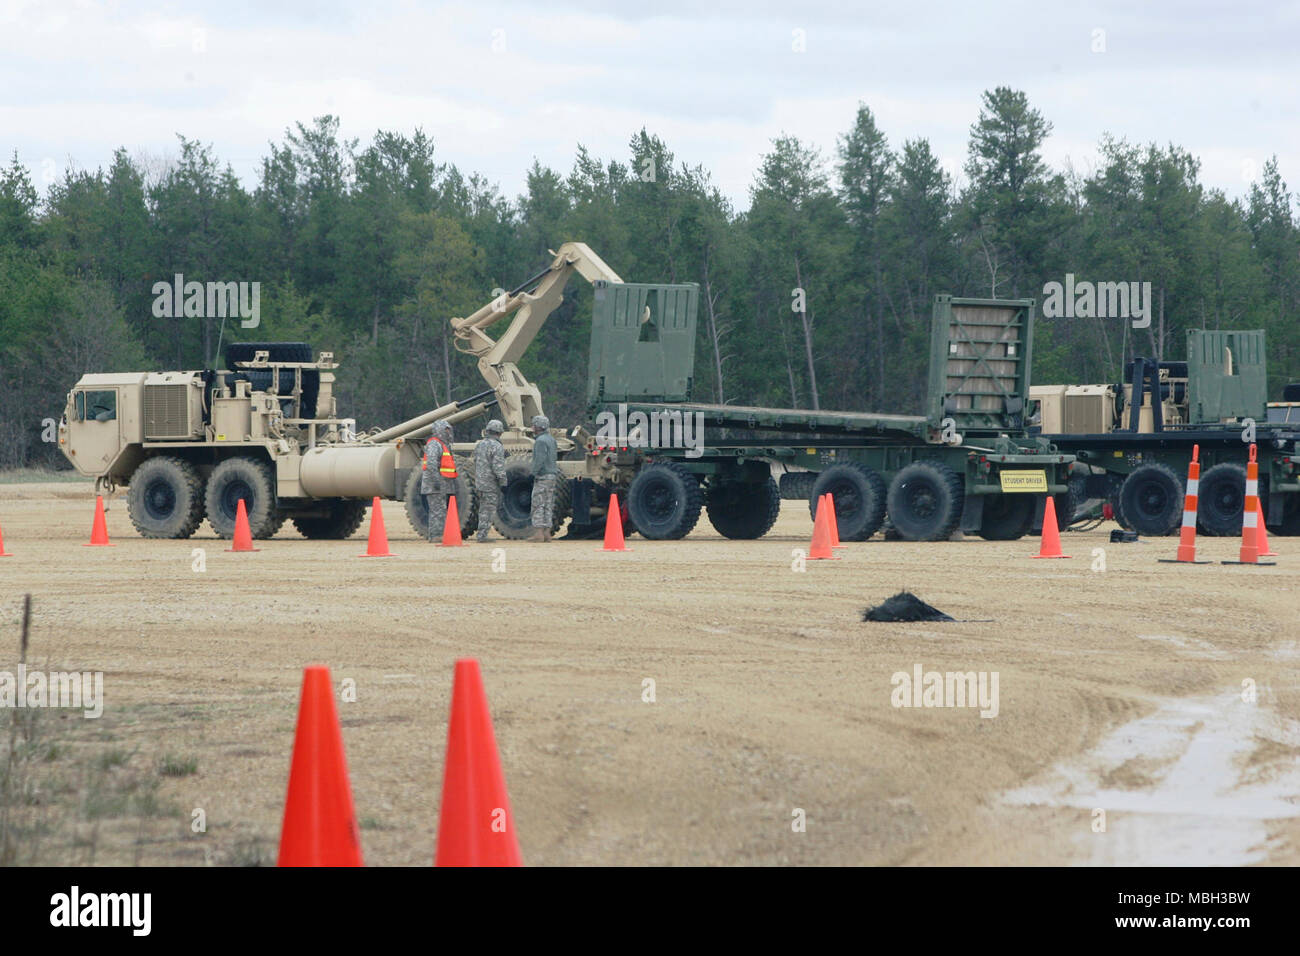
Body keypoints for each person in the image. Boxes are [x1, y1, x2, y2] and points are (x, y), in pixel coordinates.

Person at [421, 419, 458, 542]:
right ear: (439, 430)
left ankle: (438, 535)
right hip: (434, 485)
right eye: (445, 430)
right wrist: (436, 481)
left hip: (440, 484)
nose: (448, 433)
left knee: (440, 510)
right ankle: (436, 536)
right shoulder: (434, 444)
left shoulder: (442, 445)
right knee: (437, 511)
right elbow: (431, 464)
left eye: (449, 430)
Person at [472, 419, 507, 542]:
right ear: (499, 432)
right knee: (489, 510)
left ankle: (481, 534)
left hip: (480, 482)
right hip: (491, 484)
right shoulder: (497, 446)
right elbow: (498, 467)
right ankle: (482, 536)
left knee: (483, 509)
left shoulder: (480, 445)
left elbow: (474, 461)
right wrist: (503, 482)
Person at [529, 414, 558, 542]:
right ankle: (547, 533)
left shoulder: (540, 441)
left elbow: (539, 460)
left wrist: (532, 473)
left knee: (538, 504)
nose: (532, 427)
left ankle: (538, 534)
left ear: (538, 427)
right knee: (548, 504)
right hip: (552, 475)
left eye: (534, 425)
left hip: (542, 476)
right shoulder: (551, 439)